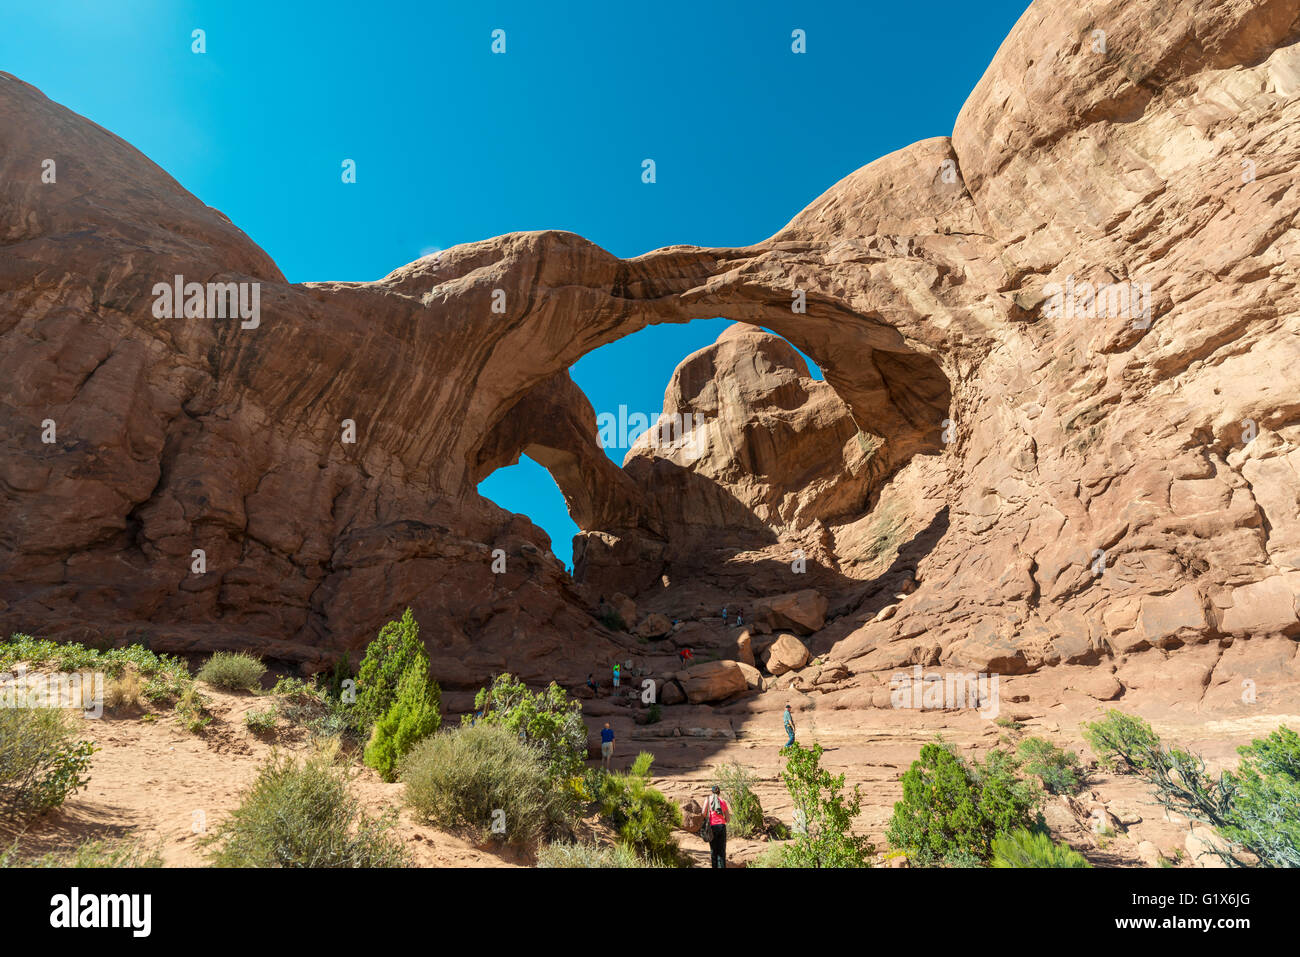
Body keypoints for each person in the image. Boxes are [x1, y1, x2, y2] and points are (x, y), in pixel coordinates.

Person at [705, 784, 730, 868]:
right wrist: (722, 820)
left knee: (713, 851)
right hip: (721, 827)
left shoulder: (708, 799)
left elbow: (703, 813)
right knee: (721, 852)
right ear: (719, 792)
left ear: (712, 792)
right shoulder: (722, 801)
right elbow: (728, 819)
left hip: (712, 827)